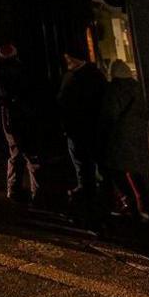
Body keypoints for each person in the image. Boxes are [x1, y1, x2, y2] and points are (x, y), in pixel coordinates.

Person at [99, 59, 149, 222]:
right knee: (135, 171)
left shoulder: (114, 89)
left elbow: (110, 114)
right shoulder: (136, 87)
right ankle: (144, 204)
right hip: (136, 135)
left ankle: (130, 205)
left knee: (118, 171)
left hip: (120, 135)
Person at [57, 45, 108, 214]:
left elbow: (63, 103)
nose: (68, 61)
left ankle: (90, 202)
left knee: (84, 167)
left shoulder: (72, 78)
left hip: (79, 129)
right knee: (94, 166)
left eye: (70, 58)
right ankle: (99, 201)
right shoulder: (95, 75)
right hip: (89, 129)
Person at [0, 43, 41, 205]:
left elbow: (1, 96)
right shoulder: (25, 70)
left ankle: (13, 188)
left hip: (10, 115)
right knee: (31, 154)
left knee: (15, 152)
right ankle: (37, 191)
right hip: (26, 114)